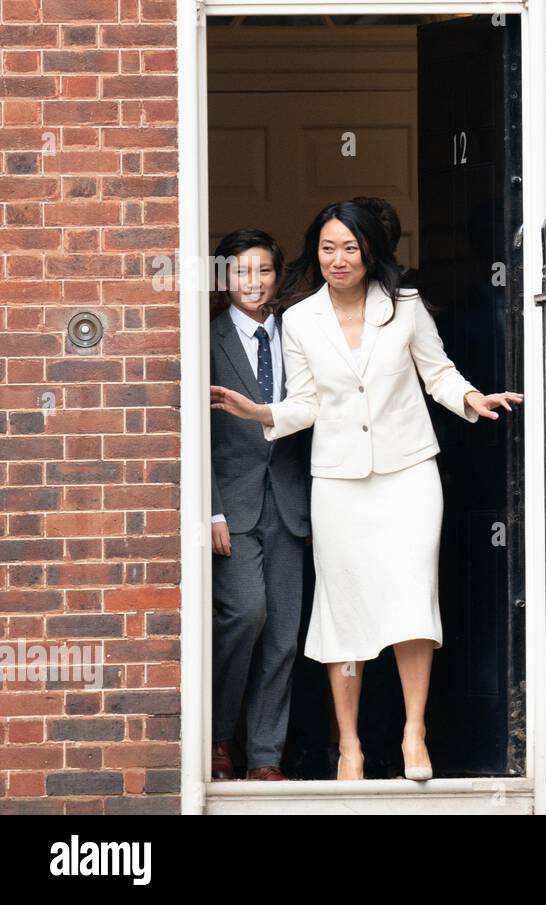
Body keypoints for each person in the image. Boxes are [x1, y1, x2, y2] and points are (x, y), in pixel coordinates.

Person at [210, 201, 523, 781]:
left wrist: (471, 400)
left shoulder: (403, 307)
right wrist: (261, 411)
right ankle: (349, 746)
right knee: (343, 613)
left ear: (369, 252)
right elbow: (305, 403)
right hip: (337, 484)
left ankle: (414, 733)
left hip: (408, 475)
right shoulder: (301, 319)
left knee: (411, 603)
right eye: (327, 248)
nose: (338, 259)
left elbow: (438, 372)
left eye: (349, 248)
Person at [208, 228, 311, 781]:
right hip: (234, 507)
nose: (254, 282)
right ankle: (221, 739)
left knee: (283, 635)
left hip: (291, 507)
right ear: (225, 279)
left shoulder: (300, 335)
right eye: (242, 271)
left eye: (264, 271)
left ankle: (266, 757)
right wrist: (212, 510)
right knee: (246, 615)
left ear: (278, 277)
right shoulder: (207, 339)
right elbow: (195, 435)